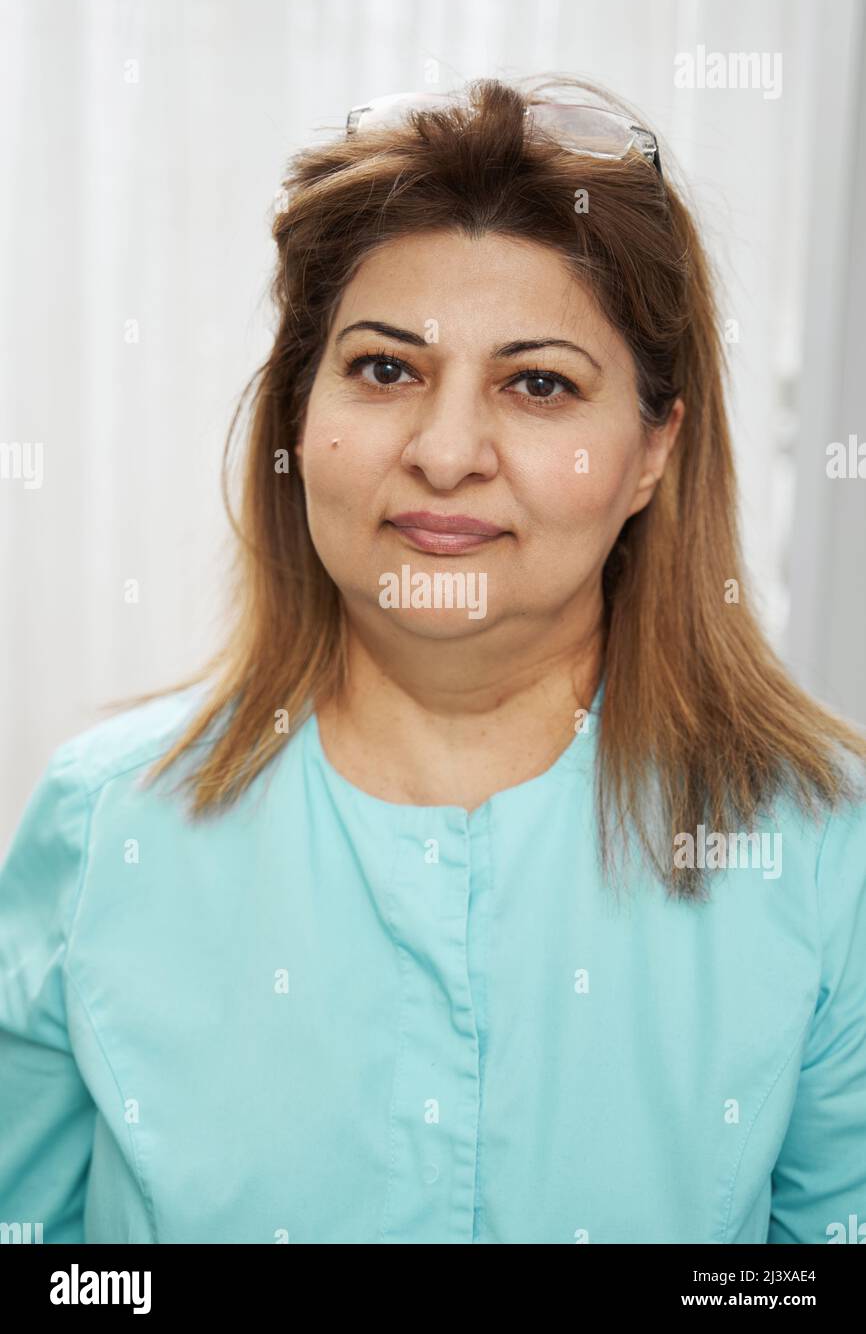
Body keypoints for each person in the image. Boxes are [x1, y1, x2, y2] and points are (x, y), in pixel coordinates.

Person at [2, 76, 865, 1246]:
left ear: (653, 450)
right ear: (298, 421)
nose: (447, 451)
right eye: (385, 369)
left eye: (539, 384)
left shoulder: (820, 854)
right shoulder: (103, 823)